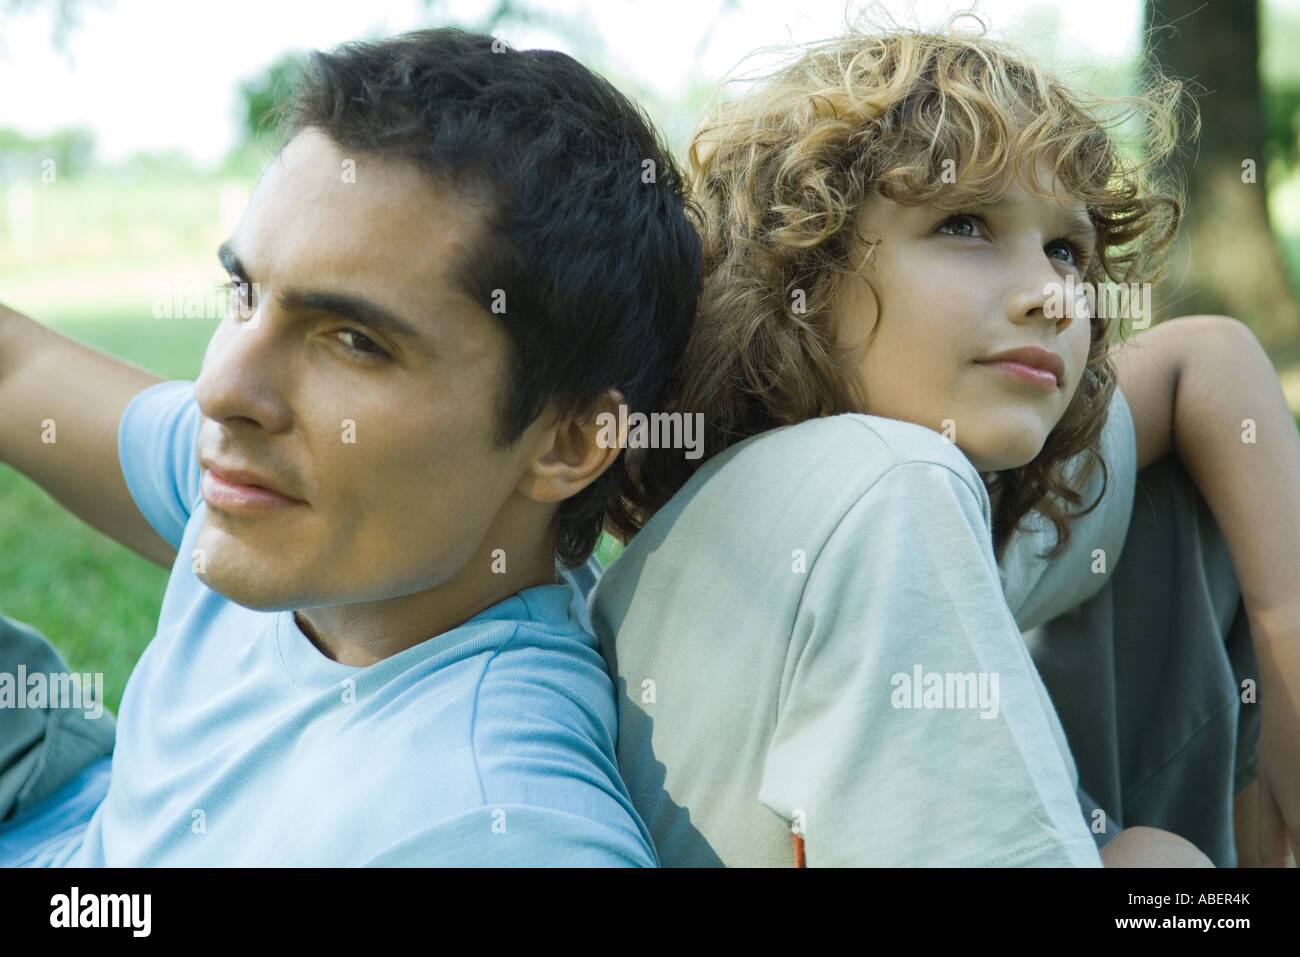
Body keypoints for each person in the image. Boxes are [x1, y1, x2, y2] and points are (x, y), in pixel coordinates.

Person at [585, 22, 1299, 866]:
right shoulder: (889, 482)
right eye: (964, 224)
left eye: (1067, 250)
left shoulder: (830, 483)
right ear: (797, 274)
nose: (1052, 296)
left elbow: (1204, 361)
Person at [0, 27, 702, 866]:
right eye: (245, 294)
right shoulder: (283, 499)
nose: (222, 392)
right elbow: (18, 372)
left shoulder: (491, 820)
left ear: (571, 442)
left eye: (356, 340)